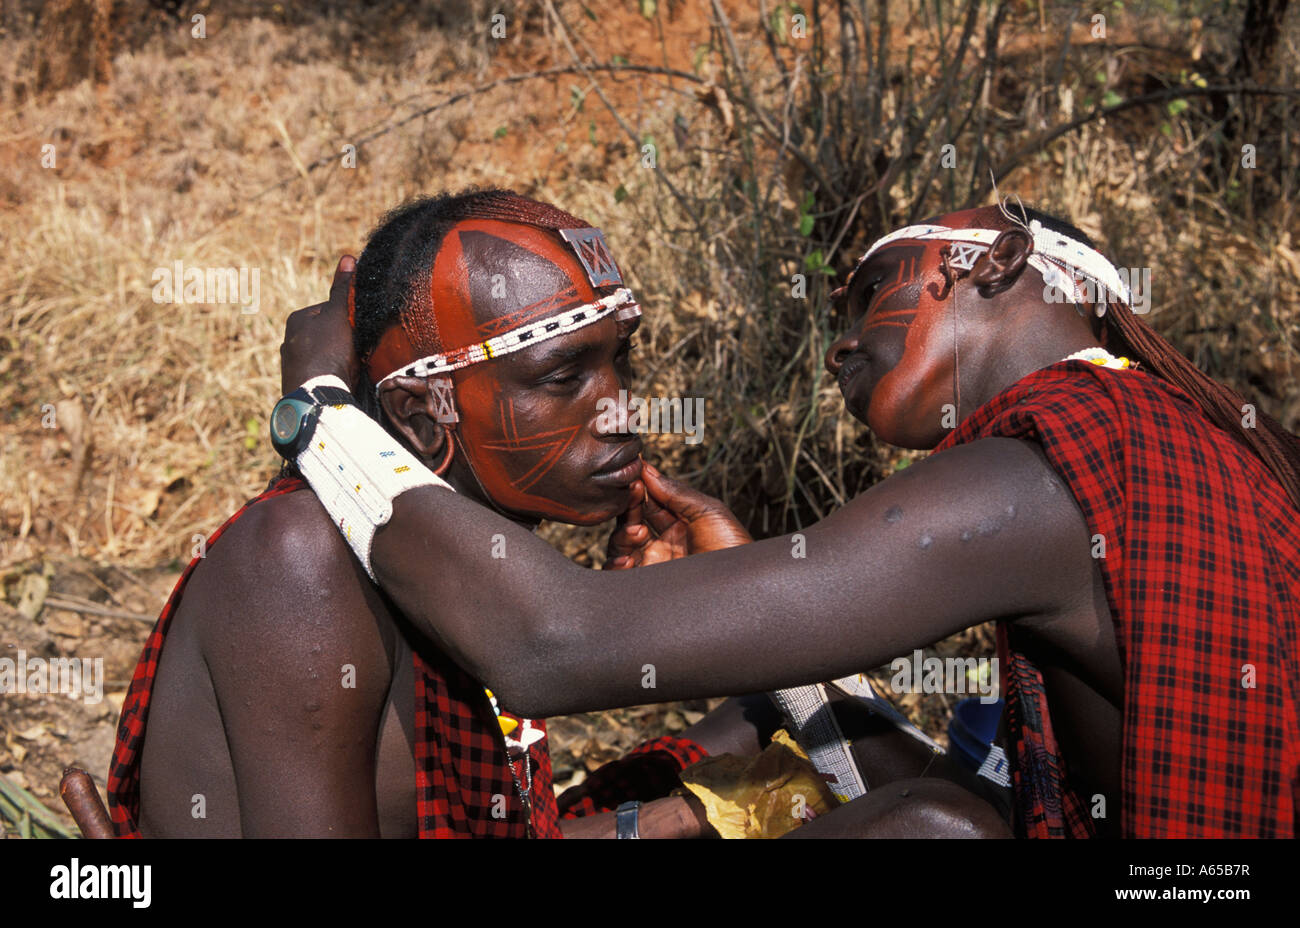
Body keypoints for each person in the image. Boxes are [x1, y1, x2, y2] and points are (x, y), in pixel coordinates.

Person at [279, 202, 1300, 838]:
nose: (839, 345)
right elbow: (957, 807)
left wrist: (318, 412)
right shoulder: (1208, 444)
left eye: (864, 294)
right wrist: (763, 616)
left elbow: (553, 643)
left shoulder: (1044, 470)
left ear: (992, 258)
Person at [106, 189, 783, 838]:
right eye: (562, 377)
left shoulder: (467, 564)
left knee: (813, 725)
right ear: (423, 416)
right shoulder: (301, 560)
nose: (622, 411)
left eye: (620, 363)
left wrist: (671, 819)